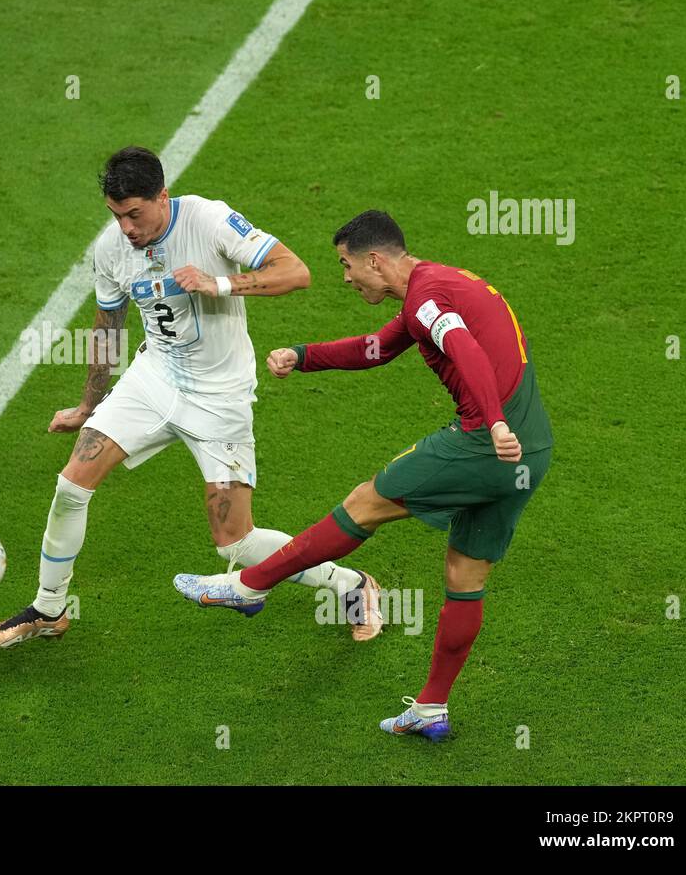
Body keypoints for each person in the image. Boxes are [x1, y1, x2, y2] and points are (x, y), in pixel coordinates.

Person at [0, 147, 380, 648]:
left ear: (162, 197)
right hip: (154, 379)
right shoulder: (111, 250)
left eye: (134, 214)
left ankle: (350, 583)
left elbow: (295, 271)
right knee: (71, 486)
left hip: (219, 398)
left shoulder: (209, 220)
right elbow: (108, 328)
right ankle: (49, 608)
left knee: (235, 543)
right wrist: (88, 406)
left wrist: (219, 282)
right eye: (115, 215)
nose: (126, 228)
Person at [174, 209, 553, 739]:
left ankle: (250, 585)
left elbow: (464, 349)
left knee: (365, 502)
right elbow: (377, 348)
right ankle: (431, 709)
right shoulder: (437, 284)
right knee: (465, 581)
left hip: (486, 443)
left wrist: (491, 423)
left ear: (375, 260)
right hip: (530, 452)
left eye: (348, 266)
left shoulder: (424, 299)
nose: (346, 278)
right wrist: (302, 356)